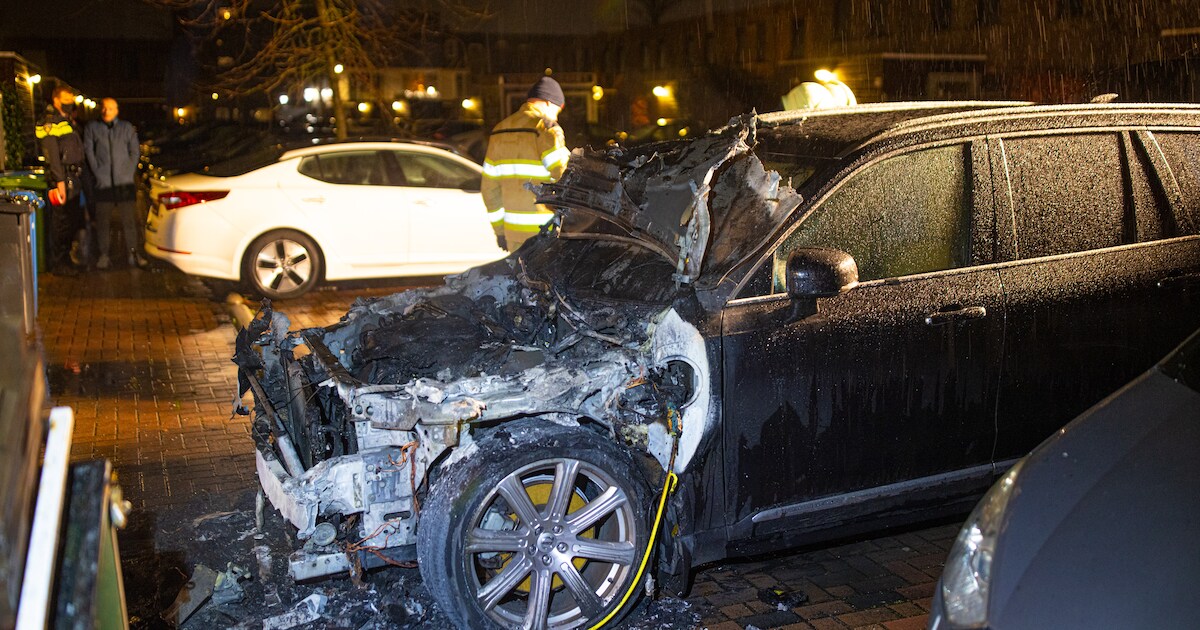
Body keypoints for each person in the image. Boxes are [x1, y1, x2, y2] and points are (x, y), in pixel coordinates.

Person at [481, 76, 571, 252]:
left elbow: (489, 189)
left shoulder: (499, 131)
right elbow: (568, 178)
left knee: (518, 279)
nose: (556, 116)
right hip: (546, 235)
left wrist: (500, 231)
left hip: (513, 236)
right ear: (547, 102)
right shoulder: (545, 128)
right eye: (557, 110)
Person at [84, 97, 146, 269]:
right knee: (103, 222)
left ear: (116, 110)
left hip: (124, 183)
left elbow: (135, 152)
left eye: (110, 108)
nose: (106, 111)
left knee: (129, 221)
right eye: (104, 108)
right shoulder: (92, 128)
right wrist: (97, 172)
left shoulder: (126, 128)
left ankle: (133, 253)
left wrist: (128, 172)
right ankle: (104, 255)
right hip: (103, 183)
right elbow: (89, 151)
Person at [36, 84, 86, 274]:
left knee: (71, 221)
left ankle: (66, 259)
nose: (69, 104)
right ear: (56, 100)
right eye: (65, 101)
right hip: (62, 179)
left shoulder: (67, 121)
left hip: (73, 177)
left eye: (71, 101)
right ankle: (59, 263)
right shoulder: (50, 122)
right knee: (61, 223)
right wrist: (59, 183)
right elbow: (53, 156)